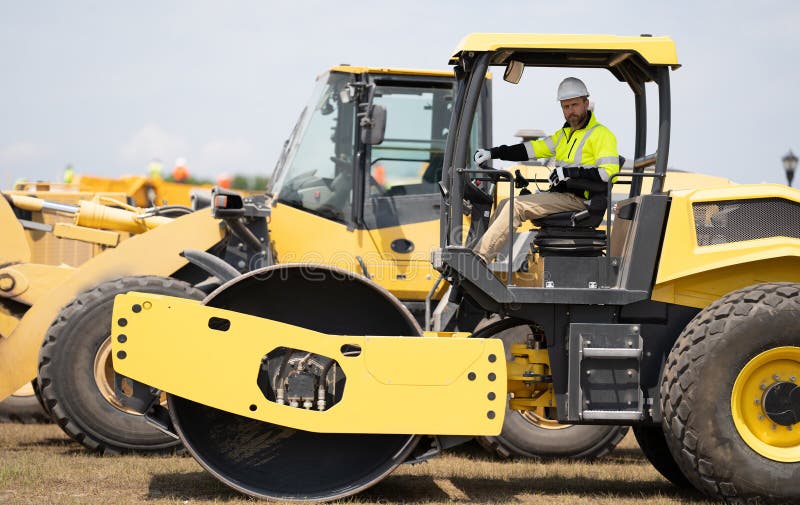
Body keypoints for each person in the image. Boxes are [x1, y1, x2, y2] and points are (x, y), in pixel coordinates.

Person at [473, 77, 619, 263]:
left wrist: (570, 173)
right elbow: (530, 149)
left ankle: (478, 259)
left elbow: (609, 174)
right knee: (505, 204)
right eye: (565, 107)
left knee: (516, 207)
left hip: (582, 200)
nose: (570, 111)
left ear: (586, 103)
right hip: (564, 196)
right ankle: (482, 258)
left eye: (574, 105)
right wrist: (494, 152)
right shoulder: (563, 135)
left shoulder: (602, 135)